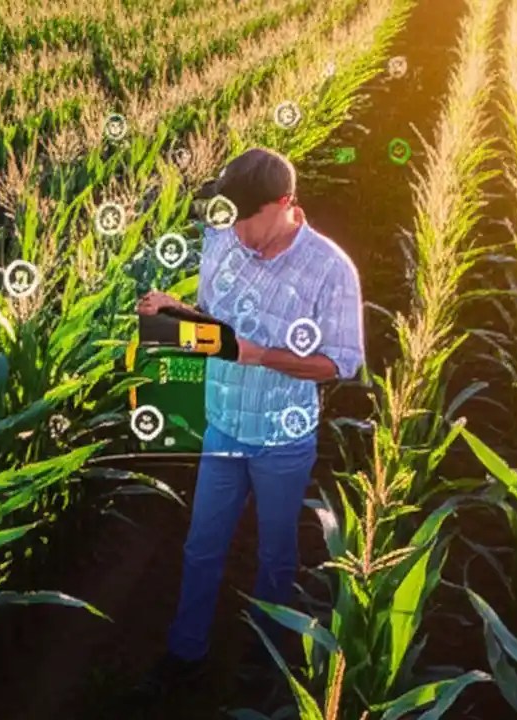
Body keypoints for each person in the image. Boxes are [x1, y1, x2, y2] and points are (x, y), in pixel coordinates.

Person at [130, 147, 365, 702]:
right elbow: (217, 328)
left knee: (276, 555)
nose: (234, 228)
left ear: (285, 204)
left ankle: (266, 663)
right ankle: (186, 652)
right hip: (223, 427)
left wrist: (262, 355)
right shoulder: (221, 245)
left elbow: (340, 362)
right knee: (201, 546)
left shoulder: (330, 270)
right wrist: (174, 312)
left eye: (245, 216)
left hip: (283, 441)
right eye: (227, 215)